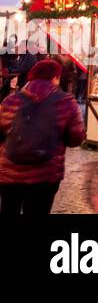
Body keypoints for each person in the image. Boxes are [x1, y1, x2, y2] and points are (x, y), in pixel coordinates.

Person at [0, 58, 85, 215]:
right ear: (55, 78)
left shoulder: (10, 100)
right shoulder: (67, 102)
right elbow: (76, 138)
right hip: (45, 175)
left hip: (9, 174)